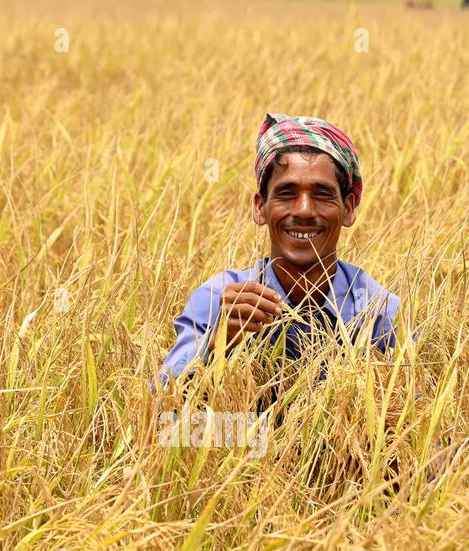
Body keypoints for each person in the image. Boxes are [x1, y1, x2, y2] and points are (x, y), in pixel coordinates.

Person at [156, 114, 399, 388]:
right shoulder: (219, 300)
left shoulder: (378, 312)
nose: (304, 210)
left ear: (349, 208)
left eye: (322, 194)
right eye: (286, 193)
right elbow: (161, 408)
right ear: (260, 208)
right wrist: (217, 344)